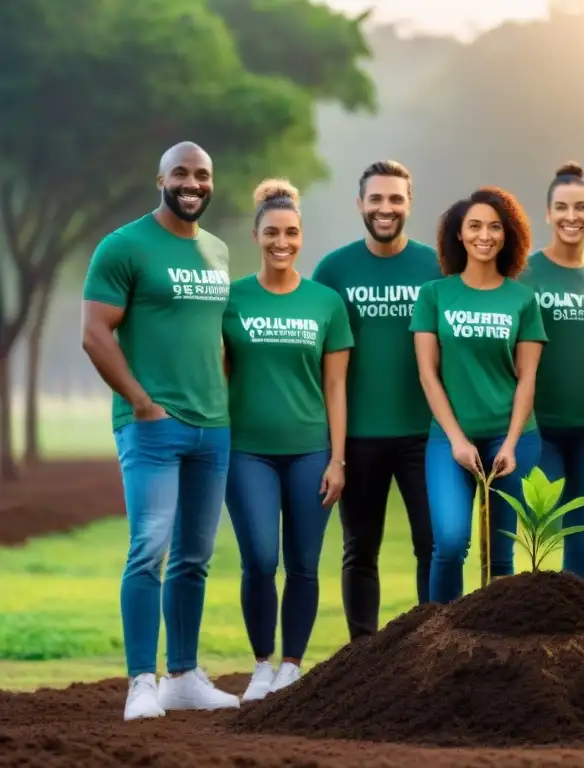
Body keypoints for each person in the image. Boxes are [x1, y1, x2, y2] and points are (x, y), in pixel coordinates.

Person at [81, 142, 239, 721]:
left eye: (202, 174)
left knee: (195, 557)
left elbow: (214, 339)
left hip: (213, 429)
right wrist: (141, 402)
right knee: (149, 550)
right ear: (161, 180)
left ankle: (184, 676)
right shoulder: (123, 246)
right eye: (181, 173)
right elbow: (95, 333)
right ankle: (141, 683)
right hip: (151, 428)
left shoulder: (218, 251)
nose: (193, 183)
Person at [222, 180, 353, 701]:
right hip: (246, 451)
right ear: (256, 234)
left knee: (303, 561)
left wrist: (338, 458)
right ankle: (260, 666)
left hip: (311, 451)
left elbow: (336, 386)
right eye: (273, 232)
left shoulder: (326, 303)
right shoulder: (232, 299)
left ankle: (292, 666)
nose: (283, 241)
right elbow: (219, 374)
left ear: (302, 237)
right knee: (258, 557)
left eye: (292, 232)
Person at [311, 161, 441, 641]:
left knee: (435, 545)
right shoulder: (334, 270)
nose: (385, 209)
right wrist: (334, 449)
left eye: (395, 199)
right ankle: (363, 656)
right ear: (360, 204)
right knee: (360, 548)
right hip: (360, 436)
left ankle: (434, 649)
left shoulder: (435, 266)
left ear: (409, 203)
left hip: (426, 436)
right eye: (376, 200)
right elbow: (321, 357)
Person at [410, 186, 547, 603]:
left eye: (494, 227)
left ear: (508, 236)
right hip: (449, 440)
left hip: (513, 440)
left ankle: (497, 652)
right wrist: (456, 440)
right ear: (459, 234)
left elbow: (527, 378)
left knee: (500, 556)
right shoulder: (435, 295)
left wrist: (509, 444)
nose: (484, 235)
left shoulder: (522, 299)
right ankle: (439, 643)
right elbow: (428, 375)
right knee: (450, 543)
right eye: (474, 226)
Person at [517, 162, 584, 590]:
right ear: (547, 214)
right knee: (541, 536)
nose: (571, 216)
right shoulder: (522, 274)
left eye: (580, 207)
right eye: (561, 207)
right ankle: (537, 642)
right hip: (537, 427)